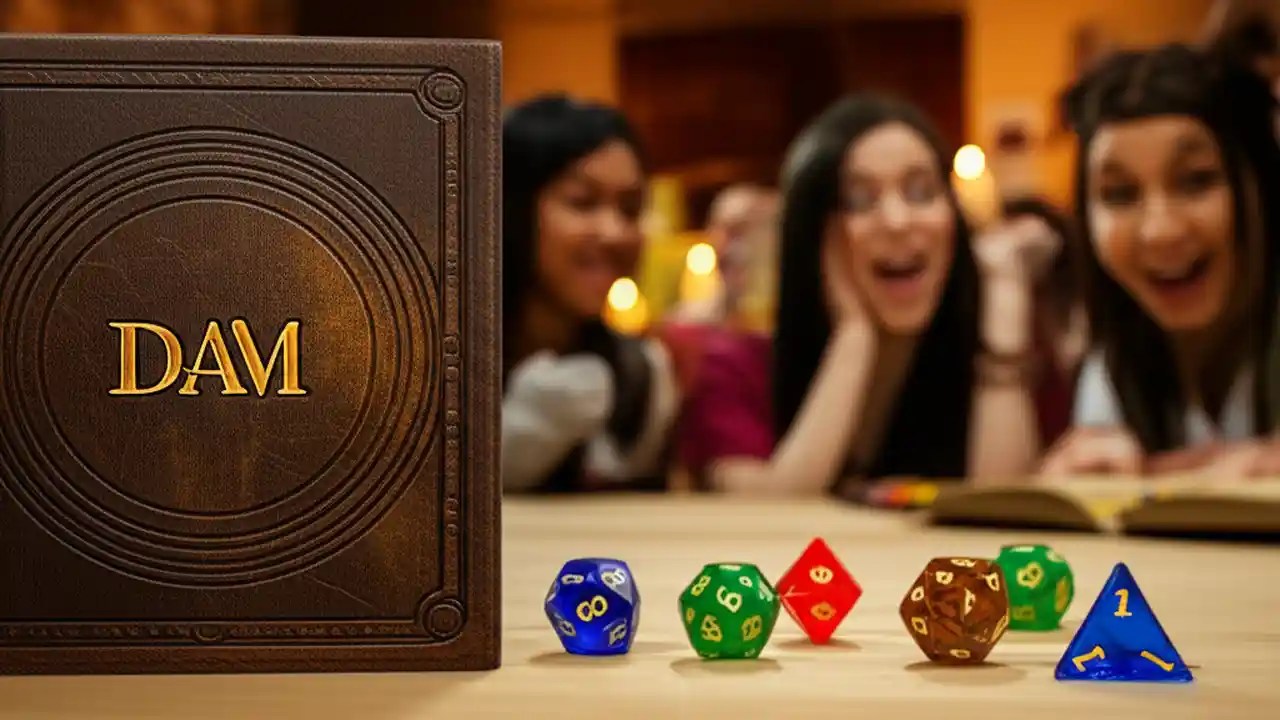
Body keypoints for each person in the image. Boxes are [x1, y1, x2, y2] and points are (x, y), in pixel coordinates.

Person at [699, 94, 1050, 495]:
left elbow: (1004, 519)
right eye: (858, 200)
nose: (898, 222)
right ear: (814, 232)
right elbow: (774, 520)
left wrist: (1003, 312)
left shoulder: (1009, 344)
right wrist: (854, 335)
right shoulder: (734, 367)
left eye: (921, 192)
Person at [1040, 44, 1280, 478]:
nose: (1159, 230)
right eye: (1120, 195)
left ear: (1261, 188)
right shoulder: (1114, 360)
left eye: (1196, 181)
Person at [500, 94, 679, 493]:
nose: (615, 232)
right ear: (510, 210)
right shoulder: (435, 368)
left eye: (631, 209)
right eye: (582, 202)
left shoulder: (643, 375)